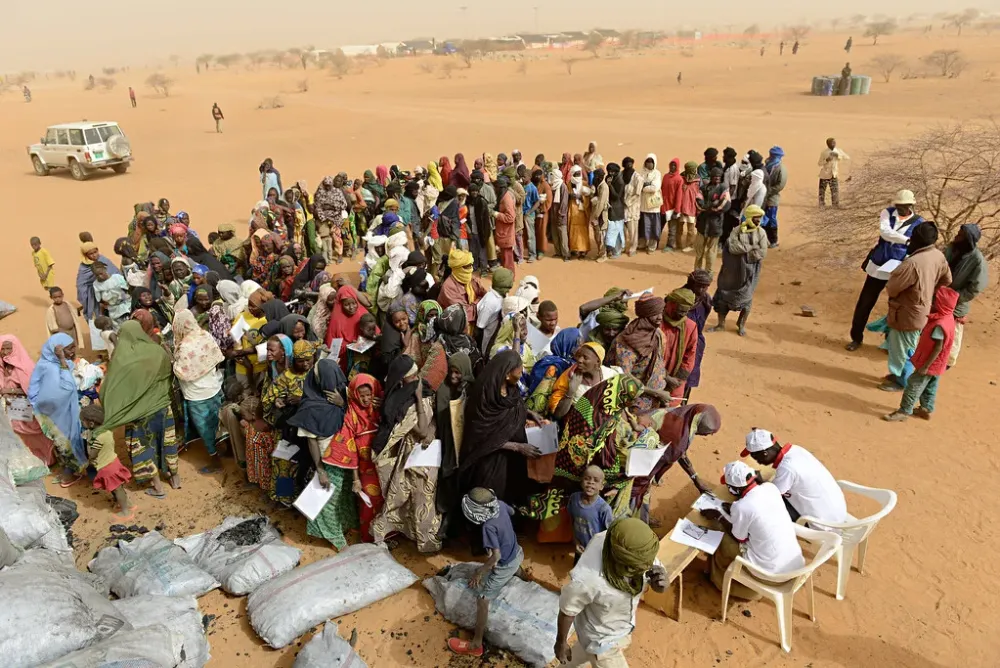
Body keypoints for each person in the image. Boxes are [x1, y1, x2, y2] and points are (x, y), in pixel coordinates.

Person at [554, 518, 667, 666]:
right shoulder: (588, 579)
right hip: (600, 640)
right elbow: (567, 610)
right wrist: (561, 642)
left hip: (620, 628)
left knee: (577, 657)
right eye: (633, 566)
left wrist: (661, 584)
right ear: (620, 558)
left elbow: (655, 571)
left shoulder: (638, 550)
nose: (643, 568)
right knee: (589, 651)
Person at [370, 356, 444, 553]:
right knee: (420, 498)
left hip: (420, 454)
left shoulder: (404, 395)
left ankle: (405, 533)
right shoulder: (414, 396)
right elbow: (420, 430)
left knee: (408, 496)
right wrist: (418, 399)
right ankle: (424, 540)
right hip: (417, 454)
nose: (414, 381)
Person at [99, 321, 180, 498]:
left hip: (139, 415)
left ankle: (158, 487)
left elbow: (112, 386)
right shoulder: (157, 351)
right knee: (167, 441)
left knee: (145, 447)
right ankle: (175, 478)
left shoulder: (123, 359)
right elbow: (169, 374)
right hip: (163, 406)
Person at [702, 461, 805, 599]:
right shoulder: (770, 488)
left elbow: (739, 538)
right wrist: (733, 507)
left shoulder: (742, 507)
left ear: (735, 489)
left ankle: (719, 581)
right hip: (794, 567)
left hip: (770, 575)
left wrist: (719, 516)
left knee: (719, 532)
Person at [294, 361, 367, 548]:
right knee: (329, 502)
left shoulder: (341, 395)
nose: (333, 386)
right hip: (327, 460)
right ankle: (333, 535)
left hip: (347, 458)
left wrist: (343, 404)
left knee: (344, 497)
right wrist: (321, 470)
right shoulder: (309, 407)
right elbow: (312, 441)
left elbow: (356, 417)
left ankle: (346, 524)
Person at [448, 487, 526, 657]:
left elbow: (496, 557)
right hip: (518, 552)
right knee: (516, 567)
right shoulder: (499, 504)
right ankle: (525, 578)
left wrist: (480, 572)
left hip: (504, 564)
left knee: (482, 599)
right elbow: (512, 512)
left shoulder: (488, 527)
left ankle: (476, 643)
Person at [460, 350, 541, 508]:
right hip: (489, 458)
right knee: (492, 496)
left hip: (512, 456)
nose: (522, 372)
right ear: (506, 374)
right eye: (519, 369)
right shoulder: (484, 397)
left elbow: (515, 404)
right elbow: (482, 436)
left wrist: (529, 413)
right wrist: (517, 447)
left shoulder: (510, 388)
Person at [846, 190, 925, 351]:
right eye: (898, 205)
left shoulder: (919, 223)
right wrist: (906, 240)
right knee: (865, 303)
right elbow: (885, 233)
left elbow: (916, 246)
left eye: (903, 206)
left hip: (898, 270)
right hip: (878, 266)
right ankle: (856, 337)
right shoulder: (887, 213)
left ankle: (890, 343)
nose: (900, 208)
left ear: (911, 205)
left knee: (896, 306)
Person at [880, 222, 951, 392]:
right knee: (908, 344)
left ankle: (902, 381)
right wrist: (928, 293)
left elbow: (893, 288)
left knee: (903, 348)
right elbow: (947, 280)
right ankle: (899, 376)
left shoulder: (912, 263)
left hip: (906, 312)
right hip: (923, 310)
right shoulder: (938, 255)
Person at [741, 428, 847, 525]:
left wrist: (758, 483)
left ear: (765, 453)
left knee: (762, 505)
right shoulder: (796, 450)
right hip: (839, 514)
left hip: (823, 525)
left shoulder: (787, 469)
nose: (757, 461)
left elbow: (770, 496)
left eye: (755, 457)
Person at [885, 285, 960, 422]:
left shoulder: (939, 324)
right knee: (930, 385)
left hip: (929, 362)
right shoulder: (949, 318)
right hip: (939, 363)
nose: (933, 302)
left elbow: (937, 347)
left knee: (913, 385)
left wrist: (926, 366)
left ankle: (904, 411)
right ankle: (926, 408)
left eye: (937, 301)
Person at [28, 334, 87, 485]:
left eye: (73, 347)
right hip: (53, 414)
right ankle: (69, 471)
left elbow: (66, 386)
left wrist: (63, 360)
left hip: (61, 412)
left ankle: (70, 470)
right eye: (69, 348)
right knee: (62, 442)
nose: (73, 351)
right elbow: (65, 387)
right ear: (55, 350)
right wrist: (37, 405)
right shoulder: (47, 366)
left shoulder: (58, 364)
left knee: (65, 441)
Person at [173, 310, 225, 458]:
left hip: (197, 395)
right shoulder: (205, 335)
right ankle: (224, 448)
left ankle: (215, 459)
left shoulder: (184, 346)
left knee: (205, 429)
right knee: (218, 423)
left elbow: (181, 372)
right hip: (214, 387)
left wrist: (173, 363)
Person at [712, 205, 768, 336]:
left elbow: (762, 252)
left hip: (749, 273)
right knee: (723, 298)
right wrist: (751, 247)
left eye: (759, 219)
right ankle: (720, 324)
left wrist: (744, 254)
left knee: (746, 299)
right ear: (749, 218)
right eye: (755, 218)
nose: (758, 221)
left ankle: (741, 325)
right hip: (731, 272)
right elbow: (732, 248)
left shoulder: (761, 233)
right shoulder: (736, 231)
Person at [0, 336, 56, 465]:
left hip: (27, 405)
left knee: (36, 432)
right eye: (3, 349)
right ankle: (39, 458)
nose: (5, 352)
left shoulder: (25, 367)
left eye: (9, 348)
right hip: (14, 406)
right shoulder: (3, 367)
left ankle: (50, 458)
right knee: (24, 433)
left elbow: (31, 390)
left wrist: (10, 391)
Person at [606, 295, 666, 412]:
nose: (659, 318)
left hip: (654, 399)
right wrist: (655, 392)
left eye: (661, 313)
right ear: (645, 314)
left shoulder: (657, 334)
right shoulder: (626, 342)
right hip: (633, 403)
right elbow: (624, 377)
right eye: (654, 314)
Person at [943, 224, 988, 366]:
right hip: (938, 298)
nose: (957, 236)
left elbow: (976, 287)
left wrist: (954, 297)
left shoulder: (977, 260)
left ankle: (947, 363)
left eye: (961, 235)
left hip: (956, 304)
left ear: (968, 239)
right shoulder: (951, 249)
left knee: (952, 337)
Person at [80, 404, 134, 520]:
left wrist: (89, 459)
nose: (82, 423)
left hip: (106, 467)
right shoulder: (107, 432)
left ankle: (126, 512)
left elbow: (93, 454)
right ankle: (126, 504)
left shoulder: (98, 438)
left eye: (83, 421)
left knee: (116, 488)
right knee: (118, 487)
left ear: (91, 423)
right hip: (113, 462)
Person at [660, 289, 698, 404]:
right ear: (670, 305)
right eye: (680, 310)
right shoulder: (656, 322)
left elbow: (689, 357)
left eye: (685, 312)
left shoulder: (690, 327)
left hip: (675, 384)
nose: (682, 314)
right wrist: (664, 377)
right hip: (653, 379)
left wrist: (677, 381)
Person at [568, 466, 614, 560]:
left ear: (602, 486)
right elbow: (572, 521)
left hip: (597, 552)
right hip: (580, 549)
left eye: (596, 480)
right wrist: (576, 542)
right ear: (581, 482)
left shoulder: (603, 508)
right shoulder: (574, 499)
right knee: (577, 571)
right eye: (587, 479)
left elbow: (609, 534)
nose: (591, 482)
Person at [680, 270, 713, 400]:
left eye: (705, 287)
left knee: (690, 375)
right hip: (679, 342)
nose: (701, 289)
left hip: (695, 343)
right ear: (690, 284)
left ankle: (683, 404)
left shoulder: (705, 300)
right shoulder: (679, 298)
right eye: (698, 286)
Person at [694, 168, 731, 273]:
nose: (717, 178)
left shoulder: (724, 189)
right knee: (699, 251)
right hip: (702, 225)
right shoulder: (703, 188)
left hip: (715, 225)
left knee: (711, 252)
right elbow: (698, 203)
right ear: (711, 177)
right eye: (715, 177)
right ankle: (697, 271)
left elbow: (725, 204)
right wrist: (711, 206)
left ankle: (708, 272)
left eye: (719, 177)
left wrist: (709, 208)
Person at [438, 249, 485, 325]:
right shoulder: (448, 287)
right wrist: (480, 301)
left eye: (471, 265)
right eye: (467, 266)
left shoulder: (472, 279)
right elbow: (464, 313)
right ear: (457, 268)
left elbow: (484, 293)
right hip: (456, 325)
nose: (470, 269)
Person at [475, 267, 513, 356]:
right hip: (487, 339)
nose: (509, 289)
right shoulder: (490, 302)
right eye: (507, 286)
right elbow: (479, 327)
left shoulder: (502, 294)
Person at [762, 146, 787, 248]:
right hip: (763, 197)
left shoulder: (781, 169)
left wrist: (768, 191)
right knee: (763, 218)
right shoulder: (767, 165)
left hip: (772, 198)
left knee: (771, 219)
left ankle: (773, 240)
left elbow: (780, 185)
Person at [92, 262, 131, 327]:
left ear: (105, 269)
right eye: (97, 275)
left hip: (126, 307)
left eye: (101, 273)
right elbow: (100, 301)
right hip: (113, 311)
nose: (100, 276)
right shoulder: (96, 285)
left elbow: (126, 291)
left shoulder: (117, 277)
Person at [673, 162, 701, 253]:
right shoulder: (681, 179)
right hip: (681, 207)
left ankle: (689, 245)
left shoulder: (698, 181)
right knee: (679, 227)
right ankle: (678, 244)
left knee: (690, 229)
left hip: (692, 207)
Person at [639, 154, 664, 253]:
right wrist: (646, 185)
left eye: (651, 162)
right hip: (643, 205)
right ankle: (642, 243)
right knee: (643, 226)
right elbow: (638, 185)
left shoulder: (657, 174)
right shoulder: (641, 173)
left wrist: (644, 187)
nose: (649, 164)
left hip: (653, 205)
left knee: (653, 226)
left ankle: (652, 246)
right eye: (647, 161)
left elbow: (655, 188)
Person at [567, 165, 593, 260]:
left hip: (582, 211)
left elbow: (588, 198)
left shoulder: (585, 184)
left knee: (582, 232)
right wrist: (571, 196)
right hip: (572, 210)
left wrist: (581, 197)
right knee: (572, 230)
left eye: (579, 174)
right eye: (576, 174)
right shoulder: (569, 184)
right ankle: (574, 249)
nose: (578, 176)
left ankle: (583, 251)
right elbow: (567, 196)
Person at [493, 175, 518, 272]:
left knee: (508, 259)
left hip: (506, 233)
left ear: (501, 188)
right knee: (504, 258)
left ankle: (509, 278)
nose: (495, 190)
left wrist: (496, 214)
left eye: (496, 188)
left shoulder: (506, 199)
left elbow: (511, 217)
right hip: (503, 233)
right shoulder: (502, 196)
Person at [818, 137, 850, 207]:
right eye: (832, 143)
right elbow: (819, 163)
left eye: (835, 142)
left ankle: (835, 205)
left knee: (835, 190)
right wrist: (826, 160)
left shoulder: (838, 151)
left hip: (834, 174)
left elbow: (847, 157)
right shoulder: (824, 152)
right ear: (828, 144)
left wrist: (838, 156)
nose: (834, 144)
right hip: (825, 174)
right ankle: (821, 204)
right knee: (822, 190)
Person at [659, 158, 683, 251]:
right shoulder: (665, 176)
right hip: (663, 207)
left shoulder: (679, 179)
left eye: (674, 165)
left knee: (672, 230)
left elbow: (679, 195)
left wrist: (677, 210)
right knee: (658, 227)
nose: (672, 167)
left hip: (672, 209)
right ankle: (655, 243)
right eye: (671, 165)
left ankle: (670, 245)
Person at [548, 165, 571, 261]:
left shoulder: (563, 187)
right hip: (553, 214)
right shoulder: (553, 186)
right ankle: (558, 252)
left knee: (562, 234)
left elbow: (564, 202)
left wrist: (561, 214)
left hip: (561, 215)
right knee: (555, 234)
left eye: (552, 175)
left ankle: (566, 254)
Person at [622, 157, 643, 256]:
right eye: (627, 164)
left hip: (632, 207)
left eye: (630, 163)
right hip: (622, 206)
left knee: (633, 230)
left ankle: (633, 248)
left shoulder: (637, 177)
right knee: (623, 229)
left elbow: (637, 194)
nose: (628, 165)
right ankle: (623, 246)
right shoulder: (621, 175)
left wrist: (628, 202)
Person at [604, 163, 626, 258]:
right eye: (609, 171)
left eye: (612, 172)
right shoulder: (608, 177)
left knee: (617, 232)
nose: (610, 173)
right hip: (610, 209)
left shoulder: (620, 181)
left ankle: (617, 252)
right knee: (610, 231)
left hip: (617, 209)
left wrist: (610, 185)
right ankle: (610, 250)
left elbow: (617, 196)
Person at [588, 168, 610, 263]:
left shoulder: (604, 187)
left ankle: (603, 254)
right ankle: (599, 253)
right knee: (597, 235)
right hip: (596, 215)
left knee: (601, 235)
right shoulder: (598, 186)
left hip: (601, 216)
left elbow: (601, 204)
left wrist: (595, 216)